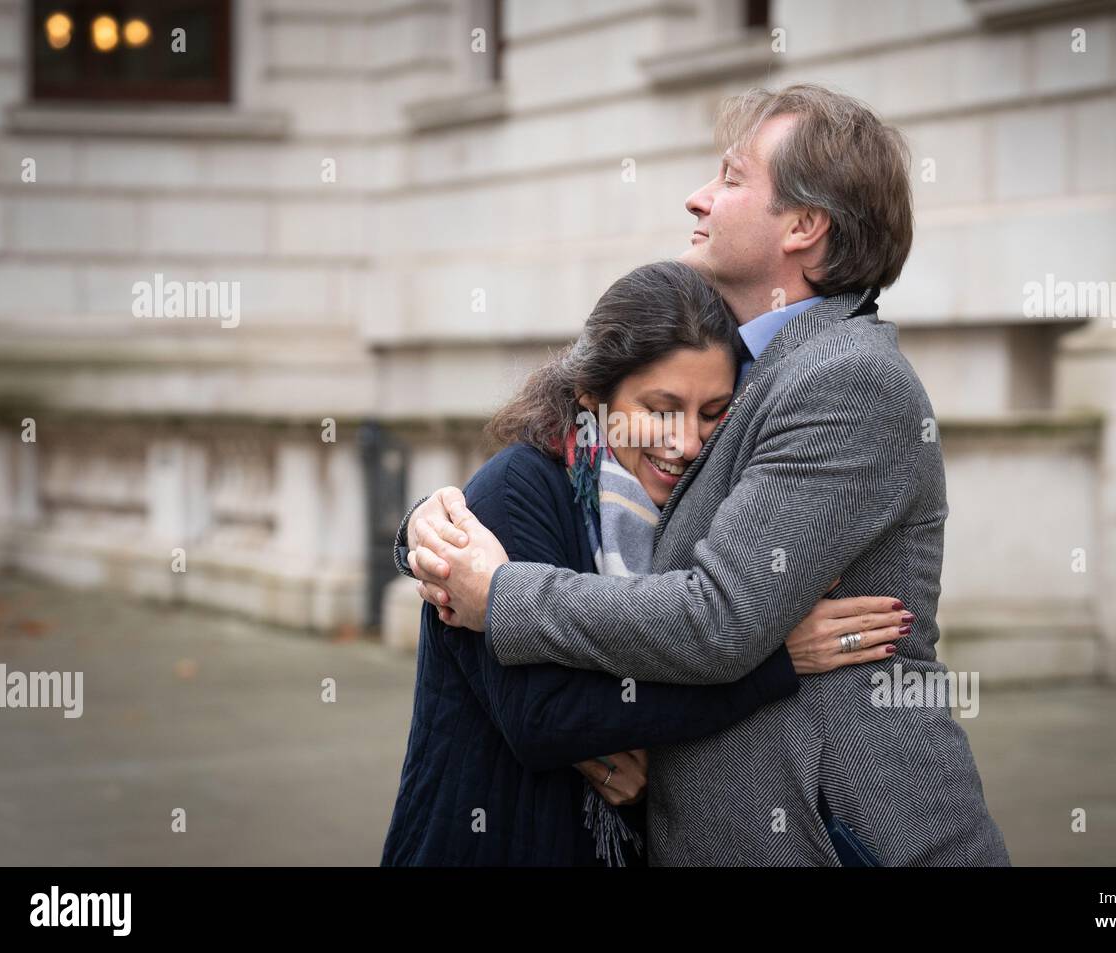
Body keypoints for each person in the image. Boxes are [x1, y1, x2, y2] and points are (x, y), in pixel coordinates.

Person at [399, 84, 1011, 866]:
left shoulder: (845, 380)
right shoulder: (750, 367)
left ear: (803, 225)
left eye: (729, 178)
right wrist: (423, 527)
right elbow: (560, 463)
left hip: (843, 835)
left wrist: (502, 593)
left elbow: (717, 620)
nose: (698, 198)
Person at [382, 260, 908, 866]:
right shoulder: (515, 489)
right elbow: (542, 719)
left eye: (714, 413)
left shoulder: (709, 507)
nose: (685, 443)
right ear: (593, 396)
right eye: (660, 409)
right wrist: (772, 661)